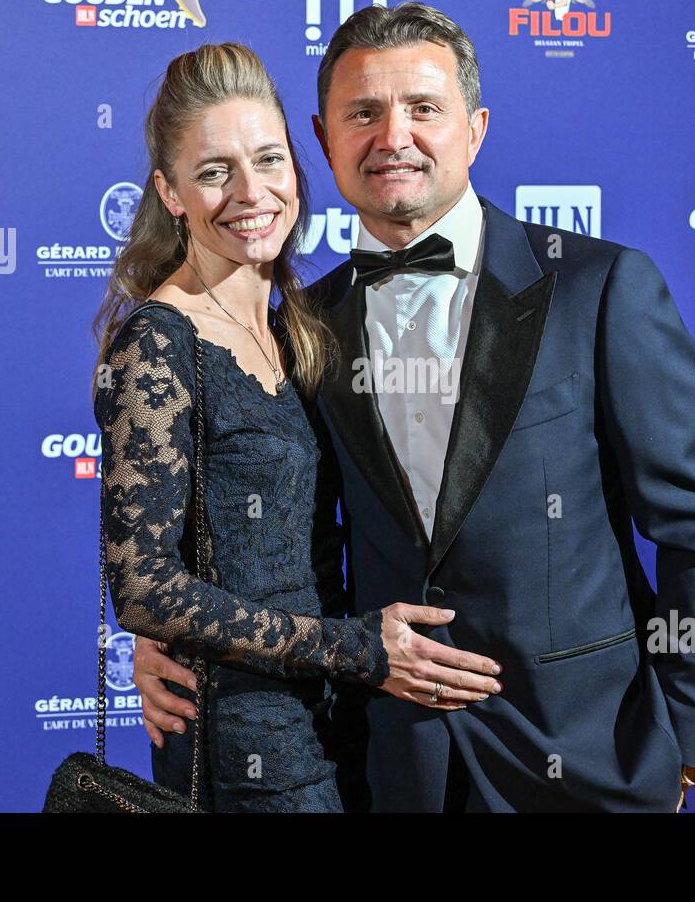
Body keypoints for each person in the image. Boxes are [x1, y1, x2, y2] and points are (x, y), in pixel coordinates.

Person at [136, 3, 695, 812]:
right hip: (390, 766)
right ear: (324, 140)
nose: (393, 136)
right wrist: (163, 639)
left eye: (423, 108)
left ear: (477, 128)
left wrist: (690, 744)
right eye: (364, 113)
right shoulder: (297, 329)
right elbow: (256, 532)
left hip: (589, 757)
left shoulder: (599, 290)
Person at [91, 42, 501, 812]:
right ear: (170, 193)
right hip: (243, 745)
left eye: (269, 160)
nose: (251, 192)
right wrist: (353, 649)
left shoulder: (302, 329)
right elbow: (144, 586)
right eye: (215, 171)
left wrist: (348, 665)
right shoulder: (159, 340)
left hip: (338, 723)